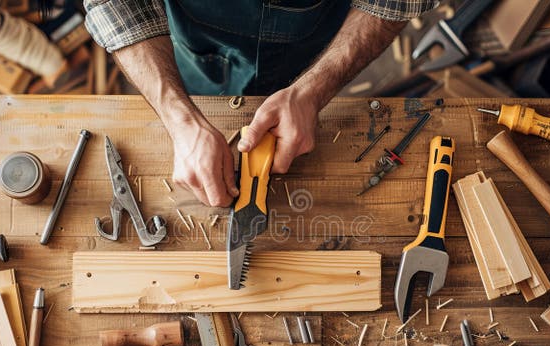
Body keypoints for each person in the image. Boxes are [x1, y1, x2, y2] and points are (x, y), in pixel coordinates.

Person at [84, 0, 435, 206]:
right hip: (197, 50)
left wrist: (313, 90)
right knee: (196, 87)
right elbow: (114, 6)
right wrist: (181, 121)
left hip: (314, 42)